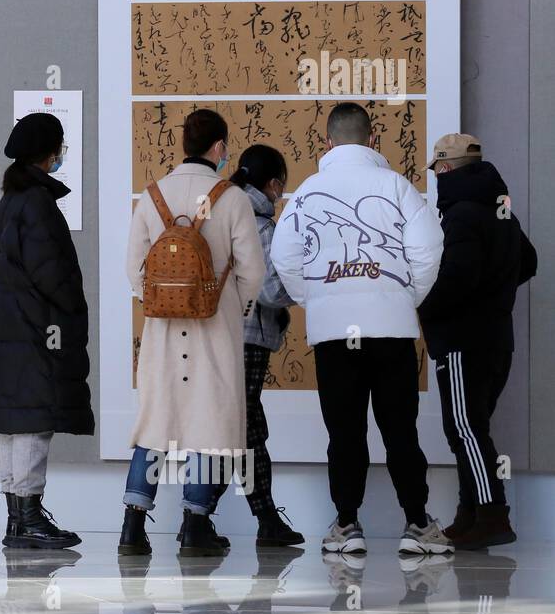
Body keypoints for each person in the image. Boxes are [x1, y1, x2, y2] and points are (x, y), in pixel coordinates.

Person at [272, 102, 447, 556]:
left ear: (326, 143)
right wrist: (406, 299)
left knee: (344, 431)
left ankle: (347, 524)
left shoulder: (308, 193)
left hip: (334, 334)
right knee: (400, 430)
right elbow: (429, 248)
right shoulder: (397, 186)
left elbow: (285, 257)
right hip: (391, 329)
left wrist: (318, 300)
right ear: (373, 141)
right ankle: (417, 524)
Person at [120, 109, 265, 557]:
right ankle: (196, 525)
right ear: (218, 148)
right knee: (209, 424)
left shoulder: (152, 196)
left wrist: (164, 302)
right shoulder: (232, 198)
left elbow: (133, 272)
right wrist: (230, 308)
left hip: (162, 332)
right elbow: (254, 273)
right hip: (214, 330)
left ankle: (132, 527)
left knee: (155, 423)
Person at [417, 133, 537, 550]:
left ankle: (492, 515)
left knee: (465, 430)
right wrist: (496, 294)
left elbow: (458, 278)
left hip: (463, 341)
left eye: (437, 171)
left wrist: (423, 308)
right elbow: (529, 261)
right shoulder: (501, 211)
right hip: (497, 339)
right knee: (472, 428)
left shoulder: (462, 214)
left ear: (446, 169)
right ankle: (469, 516)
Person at [0, 112, 93, 549]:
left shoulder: (12, 198)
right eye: (59, 147)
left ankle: (17, 518)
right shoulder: (37, 202)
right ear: (48, 153)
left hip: (11, 323)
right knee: (33, 420)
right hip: (36, 326)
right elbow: (52, 272)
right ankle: (29, 516)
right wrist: (73, 308)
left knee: (16, 421)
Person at [204, 144, 305, 546]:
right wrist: (305, 283)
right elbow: (270, 289)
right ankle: (253, 518)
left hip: (209, 335)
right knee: (242, 428)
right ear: (274, 184)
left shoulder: (216, 210)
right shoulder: (257, 224)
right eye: (282, 187)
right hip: (244, 338)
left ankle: (206, 518)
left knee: (234, 427)